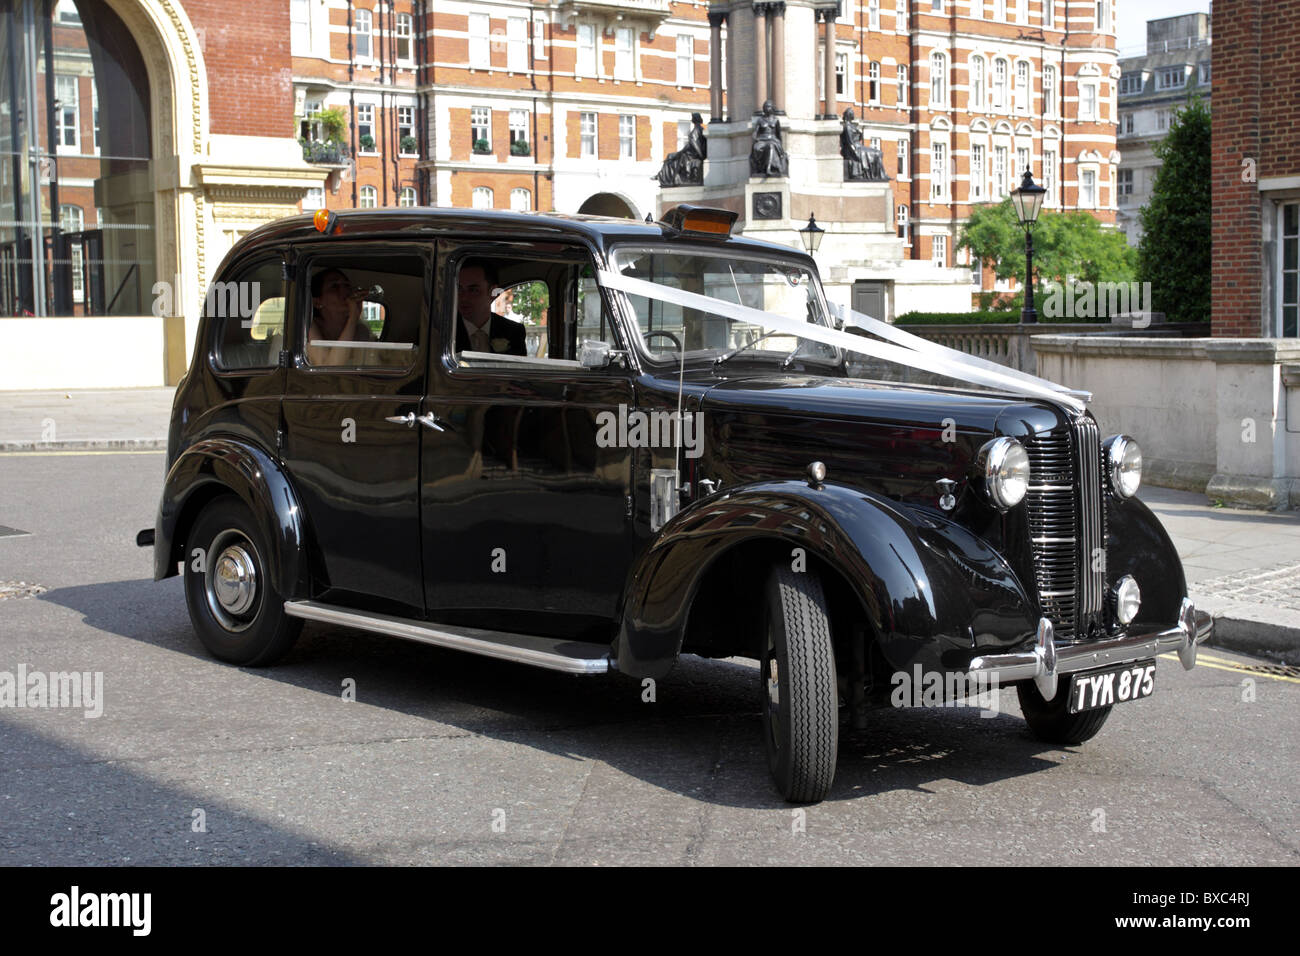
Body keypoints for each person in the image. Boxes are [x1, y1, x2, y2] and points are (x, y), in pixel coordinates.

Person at [456, 258, 527, 356]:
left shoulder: (514, 331)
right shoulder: (445, 331)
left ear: (493, 292)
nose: (463, 297)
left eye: (473, 290)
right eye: (459, 289)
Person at [307, 268, 376, 366]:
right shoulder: (309, 327)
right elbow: (329, 368)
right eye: (334, 286)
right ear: (317, 302)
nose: (345, 290)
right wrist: (353, 318)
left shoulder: (360, 331)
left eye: (347, 285)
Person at [654, 113, 706, 187]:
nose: (691, 119)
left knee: (670, 156)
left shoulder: (696, 130)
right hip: (691, 152)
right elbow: (691, 145)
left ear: (694, 119)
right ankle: (661, 175)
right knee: (671, 156)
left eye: (692, 118)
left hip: (691, 154)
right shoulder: (701, 129)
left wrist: (700, 155)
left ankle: (663, 177)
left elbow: (695, 145)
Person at [749, 100, 788, 178]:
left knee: (771, 146)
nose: (767, 108)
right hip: (762, 140)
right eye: (765, 107)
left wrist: (781, 146)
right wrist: (754, 138)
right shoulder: (760, 120)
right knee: (757, 148)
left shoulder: (776, 120)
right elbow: (756, 132)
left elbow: (779, 134)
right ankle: (762, 167)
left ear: (772, 108)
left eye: (769, 106)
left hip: (773, 140)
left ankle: (768, 168)